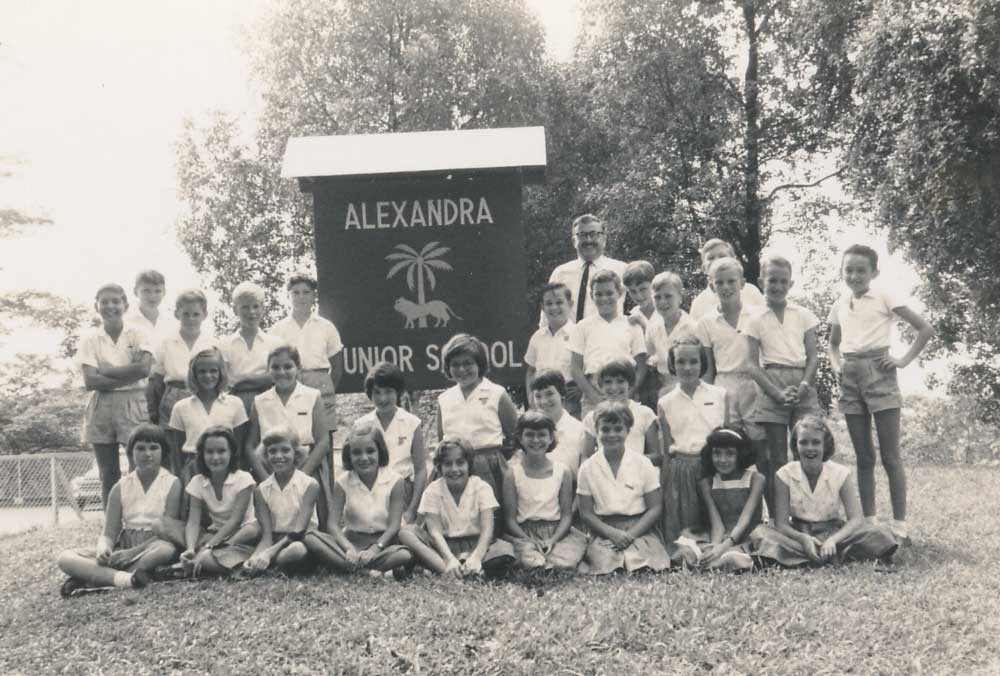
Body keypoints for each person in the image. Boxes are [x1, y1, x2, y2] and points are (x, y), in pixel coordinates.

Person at [828, 244, 934, 545]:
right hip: (850, 376)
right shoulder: (840, 303)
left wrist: (901, 360)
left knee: (890, 455)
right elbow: (833, 344)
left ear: (874, 272)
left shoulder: (885, 296)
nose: (854, 275)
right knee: (863, 455)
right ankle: (870, 522)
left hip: (880, 371)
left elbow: (924, 329)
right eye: (849, 269)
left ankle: (899, 525)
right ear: (842, 272)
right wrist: (837, 366)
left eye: (861, 270)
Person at [750, 416, 898, 567]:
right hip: (799, 536)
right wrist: (803, 539)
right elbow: (781, 524)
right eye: (803, 442)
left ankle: (805, 559)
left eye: (816, 442)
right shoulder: (784, 474)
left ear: (825, 445)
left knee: (882, 532)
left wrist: (833, 540)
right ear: (796, 445)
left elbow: (856, 519)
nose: (810, 448)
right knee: (760, 533)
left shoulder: (841, 473)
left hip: (834, 533)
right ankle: (832, 557)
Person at [56, 424, 180, 597]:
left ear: (163, 452)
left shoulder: (173, 483)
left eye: (154, 448)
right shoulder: (120, 486)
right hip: (123, 544)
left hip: (154, 543)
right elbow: (109, 532)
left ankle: (93, 579)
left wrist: (132, 553)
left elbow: (168, 530)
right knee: (65, 557)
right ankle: (128, 579)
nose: (147, 454)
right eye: (140, 448)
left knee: (166, 550)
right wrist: (103, 549)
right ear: (131, 453)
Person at [746, 254, 822, 516]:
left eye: (783, 281)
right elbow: (751, 364)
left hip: (802, 382)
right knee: (776, 457)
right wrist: (776, 393)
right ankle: (781, 514)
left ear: (791, 284)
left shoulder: (803, 314)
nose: (777, 286)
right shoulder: (754, 317)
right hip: (771, 383)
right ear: (760, 282)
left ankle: (812, 510)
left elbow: (813, 356)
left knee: (809, 446)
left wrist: (804, 384)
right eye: (772, 281)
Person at [77, 283, 154, 508]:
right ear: (96, 306)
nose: (110, 306)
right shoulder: (90, 339)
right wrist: (127, 373)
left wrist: (106, 371)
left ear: (126, 305)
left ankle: (137, 518)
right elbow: (90, 380)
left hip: (133, 402)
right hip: (101, 405)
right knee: (107, 472)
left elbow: (143, 370)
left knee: (137, 466)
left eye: (116, 301)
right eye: (105, 302)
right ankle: (112, 525)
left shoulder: (138, 333)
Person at [399, 437, 515, 579]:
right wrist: (449, 559)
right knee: (406, 533)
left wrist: (477, 557)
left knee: (504, 550)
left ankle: (461, 567)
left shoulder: (482, 487)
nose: (454, 469)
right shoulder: (433, 490)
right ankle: (448, 569)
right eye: (448, 464)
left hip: (476, 544)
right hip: (443, 546)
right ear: (439, 467)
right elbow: (435, 532)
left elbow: (487, 530)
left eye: (460, 463)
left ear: (469, 464)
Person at [307, 425, 414, 577]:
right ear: (348, 456)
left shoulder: (395, 480)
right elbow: (332, 524)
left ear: (380, 451)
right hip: (353, 541)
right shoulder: (343, 482)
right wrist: (348, 548)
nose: (364, 458)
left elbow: (394, 525)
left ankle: (348, 567)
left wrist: (375, 548)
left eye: (370, 451)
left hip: (383, 544)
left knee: (404, 555)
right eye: (356, 453)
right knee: (311, 538)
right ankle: (368, 572)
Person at [576, 401, 670, 575]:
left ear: (628, 431)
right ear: (597, 431)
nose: (612, 435)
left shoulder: (643, 463)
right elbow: (586, 513)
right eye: (605, 429)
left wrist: (630, 535)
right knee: (605, 563)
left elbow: (655, 507)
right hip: (604, 530)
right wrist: (612, 533)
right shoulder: (587, 468)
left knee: (643, 563)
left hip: (639, 528)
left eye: (618, 429)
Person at [246, 345, 334, 528]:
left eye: (288, 367)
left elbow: (323, 441)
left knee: (310, 526)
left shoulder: (312, 396)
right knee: (271, 525)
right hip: (271, 469)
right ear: (268, 371)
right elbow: (250, 446)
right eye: (275, 367)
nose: (282, 372)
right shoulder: (260, 401)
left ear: (298, 368)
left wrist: (301, 477)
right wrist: (266, 479)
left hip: (306, 467)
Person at [153, 426, 258, 578]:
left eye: (221, 451)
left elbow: (235, 521)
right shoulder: (198, 481)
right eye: (209, 452)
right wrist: (189, 547)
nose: (215, 457)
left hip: (239, 536)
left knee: (249, 531)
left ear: (231, 453)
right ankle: (197, 559)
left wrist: (208, 546)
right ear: (201, 455)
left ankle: (199, 562)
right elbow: (193, 522)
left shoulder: (243, 479)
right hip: (213, 534)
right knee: (159, 524)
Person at [658, 336, 728, 544]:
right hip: (682, 471)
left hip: (714, 466)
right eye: (680, 362)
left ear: (702, 363)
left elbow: (727, 438)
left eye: (693, 362)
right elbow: (667, 448)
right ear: (672, 364)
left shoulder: (720, 394)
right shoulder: (665, 402)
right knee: (686, 532)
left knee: (718, 525)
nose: (687, 368)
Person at [435, 334, 518, 507]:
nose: (462, 369)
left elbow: (514, 435)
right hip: (455, 467)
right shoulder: (444, 398)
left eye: (468, 363)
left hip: (489, 467)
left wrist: (492, 459)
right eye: (455, 365)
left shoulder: (497, 393)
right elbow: (441, 438)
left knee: (491, 518)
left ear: (479, 364)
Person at [501, 411, 587, 572]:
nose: (536, 440)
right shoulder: (512, 474)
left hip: (557, 532)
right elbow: (510, 520)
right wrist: (529, 540)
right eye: (530, 435)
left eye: (542, 435)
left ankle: (556, 562)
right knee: (528, 559)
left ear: (551, 438)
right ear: (520, 438)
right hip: (524, 532)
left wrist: (553, 540)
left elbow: (567, 515)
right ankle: (540, 562)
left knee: (566, 558)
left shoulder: (563, 472)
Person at [696, 256, 766, 448]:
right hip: (724, 386)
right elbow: (709, 368)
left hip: (754, 383)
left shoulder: (758, 315)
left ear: (742, 283)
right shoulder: (706, 323)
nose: (726, 287)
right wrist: (707, 398)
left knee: (759, 442)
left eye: (731, 281)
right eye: (719, 282)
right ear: (712, 286)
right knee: (731, 443)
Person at [146, 289, 217, 471]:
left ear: (204, 315)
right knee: (173, 454)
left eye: (196, 314)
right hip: (173, 396)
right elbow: (156, 380)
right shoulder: (166, 342)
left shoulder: (213, 343)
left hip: (204, 396)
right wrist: (156, 411)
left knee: (202, 448)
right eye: (186, 314)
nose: (191, 319)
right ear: (177, 313)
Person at [675, 427, 764, 571]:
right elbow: (717, 524)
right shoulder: (707, 483)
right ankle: (711, 561)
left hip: (745, 537)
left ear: (741, 455)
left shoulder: (756, 479)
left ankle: (726, 560)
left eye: (730, 454)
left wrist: (723, 547)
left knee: (732, 559)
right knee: (684, 553)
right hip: (719, 536)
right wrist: (715, 547)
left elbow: (744, 521)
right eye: (717, 453)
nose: (722, 460)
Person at [353, 362, 427, 524]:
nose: (382, 398)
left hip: (402, 492)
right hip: (370, 491)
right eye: (377, 392)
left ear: (398, 392)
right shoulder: (361, 425)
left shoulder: (412, 423)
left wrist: (412, 510)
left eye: (388, 392)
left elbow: (421, 469)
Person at [270, 272, 343, 433]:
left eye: (306, 292)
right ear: (288, 296)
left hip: (320, 383)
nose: (301, 297)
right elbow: (271, 365)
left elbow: (337, 368)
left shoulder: (326, 326)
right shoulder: (277, 329)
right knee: (292, 434)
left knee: (322, 435)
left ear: (313, 296)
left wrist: (326, 388)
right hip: (289, 382)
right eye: (295, 292)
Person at [568, 269, 648, 415]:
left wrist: (629, 393)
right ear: (592, 296)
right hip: (594, 390)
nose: (604, 298)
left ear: (619, 293)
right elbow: (575, 368)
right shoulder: (582, 326)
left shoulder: (631, 324)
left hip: (625, 387)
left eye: (609, 293)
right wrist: (595, 397)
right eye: (598, 294)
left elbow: (641, 367)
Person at [167, 347, 248, 488]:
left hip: (226, 468)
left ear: (221, 373)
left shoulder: (235, 403)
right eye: (202, 371)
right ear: (194, 375)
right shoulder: (181, 407)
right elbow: (177, 452)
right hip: (194, 470)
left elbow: (239, 447)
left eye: (213, 371)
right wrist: (181, 477)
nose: (208, 375)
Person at [245, 426, 321, 574]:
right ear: (265, 456)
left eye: (285, 450)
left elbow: (299, 531)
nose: (279, 456)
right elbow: (266, 536)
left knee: (296, 550)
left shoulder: (309, 484)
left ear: (296, 454)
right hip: (274, 541)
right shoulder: (261, 490)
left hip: (302, 540)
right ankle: (269, 566)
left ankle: (272, 565)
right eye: (272, 451)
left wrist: (268, 553)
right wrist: (255, 557)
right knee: (255, 560)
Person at [547, 214, 627, 323]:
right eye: (582, 235)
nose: (588, 240)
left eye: (593, 234)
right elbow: (547, 315)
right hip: (570, 338)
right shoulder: (560, 273)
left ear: (604, 239)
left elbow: (644, 301)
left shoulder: (622, 270)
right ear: (574, 241)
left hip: (608, 337)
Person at [581, 359, 660, 461]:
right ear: (600, 386)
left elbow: (656, 456)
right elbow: (586, 457)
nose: (614, 387)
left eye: (620, 381)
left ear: (630, 383)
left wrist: (628, 463)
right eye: (608, 382)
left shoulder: (645, 413)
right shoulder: (592, 416)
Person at [221, 282, 280, 417]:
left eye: (256, 306)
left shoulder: (275, 343)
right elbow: (224, 381)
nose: (251, 312)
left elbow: (274, 376)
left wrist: (243, 379)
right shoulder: (224, 344)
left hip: (268, 400)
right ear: (235, 310)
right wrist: (259, 379)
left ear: (263, 309)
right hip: (234, 402)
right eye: (245, 307)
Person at [524, 282, 580, 418]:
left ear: (570, 304)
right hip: (542, 402)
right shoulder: (537, 337)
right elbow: (531, 370)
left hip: (570, 401)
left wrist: (581, 390)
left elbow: (587, 368)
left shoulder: (579, 333)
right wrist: (531, 396)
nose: (554, 307)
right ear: (542, 307)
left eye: (559, 302)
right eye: (549, 303)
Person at [645, 271, 699, 399]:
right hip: (663, 389)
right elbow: (650, 356)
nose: (663, 302)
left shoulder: (692, 327)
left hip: (690, 388)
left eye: (668, 296)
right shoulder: (653, 327)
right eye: (657, 297)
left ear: (680, 297)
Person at [524, 370, 587, 477]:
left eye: (549, 394)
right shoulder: (527, 431)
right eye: (538, 396)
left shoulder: (579, 431)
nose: (543, 401)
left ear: (562, 394)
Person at [689, 239, 765, 320]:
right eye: (711, 258)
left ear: (734, 260)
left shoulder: (751, 292)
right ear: (704, 268)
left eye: (722, 256)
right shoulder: (699, 304)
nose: (717, 260)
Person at [622, 261, 662, 409]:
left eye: (643, 289)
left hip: (664, 376)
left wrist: (643, 324)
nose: (638, 295)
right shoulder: (632, 315)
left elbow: (662, 342)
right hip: (643, 379)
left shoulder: (664, 311)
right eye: (632, 291)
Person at [124, 269, 177, 342]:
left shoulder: (173, 322)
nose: (152, 296)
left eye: (157, 291)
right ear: (135, 292)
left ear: (164, 292)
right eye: (146, 291)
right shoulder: (125, 321)